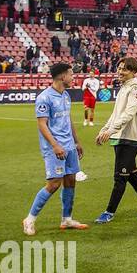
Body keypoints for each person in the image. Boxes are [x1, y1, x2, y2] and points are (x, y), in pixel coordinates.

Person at [23, 61, 87, 235]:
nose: (73, 77)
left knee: (70, 181)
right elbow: (42, 124)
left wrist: (77, 141)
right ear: (62, 76)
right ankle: (30, 219)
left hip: (69, 146)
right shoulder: (45, 97)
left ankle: (66, 219)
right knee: (53, 184)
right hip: (54, 148)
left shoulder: (65, 95)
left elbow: (68, 119)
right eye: (71, 74)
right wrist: (55, 145)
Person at [93, 56, 137, 223]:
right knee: (131, 175)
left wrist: (111, 130)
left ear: (134, 72)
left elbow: (128, 114)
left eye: (124, 69)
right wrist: (105, 129)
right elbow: (116, 114)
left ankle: (109, 212)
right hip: (120, 137)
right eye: (119, 68)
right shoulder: (124, 87)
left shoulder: (135, 89)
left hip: (129, 138)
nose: (120, 71)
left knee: (120, 177)